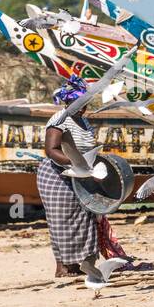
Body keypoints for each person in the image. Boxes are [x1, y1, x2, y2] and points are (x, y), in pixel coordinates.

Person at [38, 74, 102, 278]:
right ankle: (63, 266)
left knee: (84, 217)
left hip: (80, 173)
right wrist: (75, 162)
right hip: (57, 175)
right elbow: (52, 149)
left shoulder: (84, 121)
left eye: (86, 101)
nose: (84, 105)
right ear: (69, 101)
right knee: (62, 219)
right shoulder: (60, 119)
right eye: (80, 101)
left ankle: (79, 263)